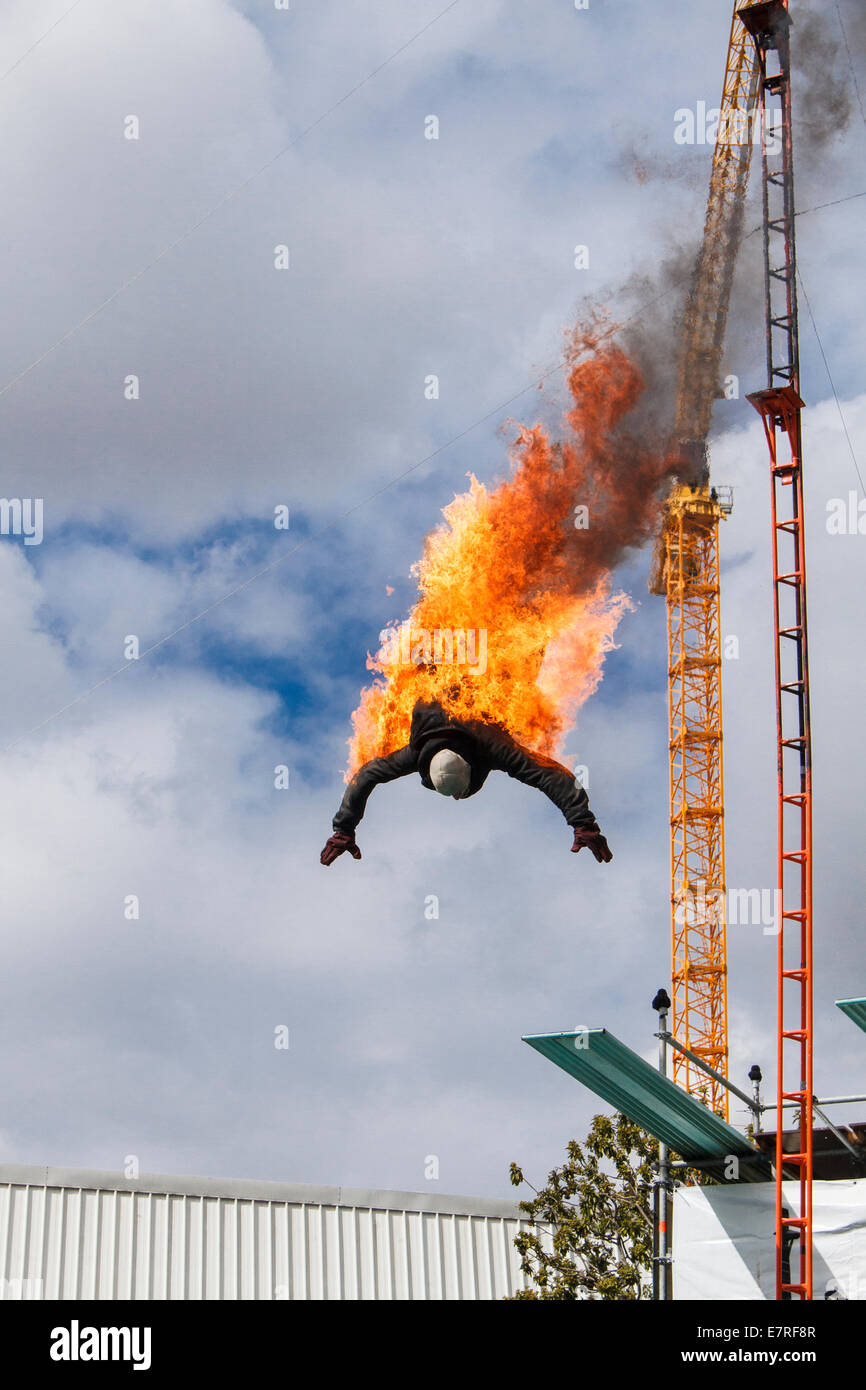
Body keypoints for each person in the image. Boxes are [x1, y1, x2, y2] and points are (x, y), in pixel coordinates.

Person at [320, 698, 612, 865]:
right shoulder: (417, 750)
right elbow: (367, 775)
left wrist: (582, 823)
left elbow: (549, 774)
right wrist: (343, 829)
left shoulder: (489, 745)